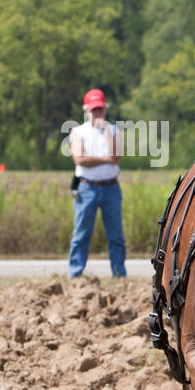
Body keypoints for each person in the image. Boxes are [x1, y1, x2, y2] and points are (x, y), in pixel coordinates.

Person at [67, 88, 127, 278]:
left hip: (110, 187)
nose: (97, 114)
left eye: (100, 109)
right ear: (86, 111)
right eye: (94, 110)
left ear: (105, 109)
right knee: (81, 234)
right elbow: (80, 160)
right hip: (87, 187)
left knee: (116, 236)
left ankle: (119, 274)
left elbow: (116, 156)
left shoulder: (114, 130)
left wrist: (106, 133)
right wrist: (105, 158)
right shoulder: (78, 132)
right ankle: (76, 274)